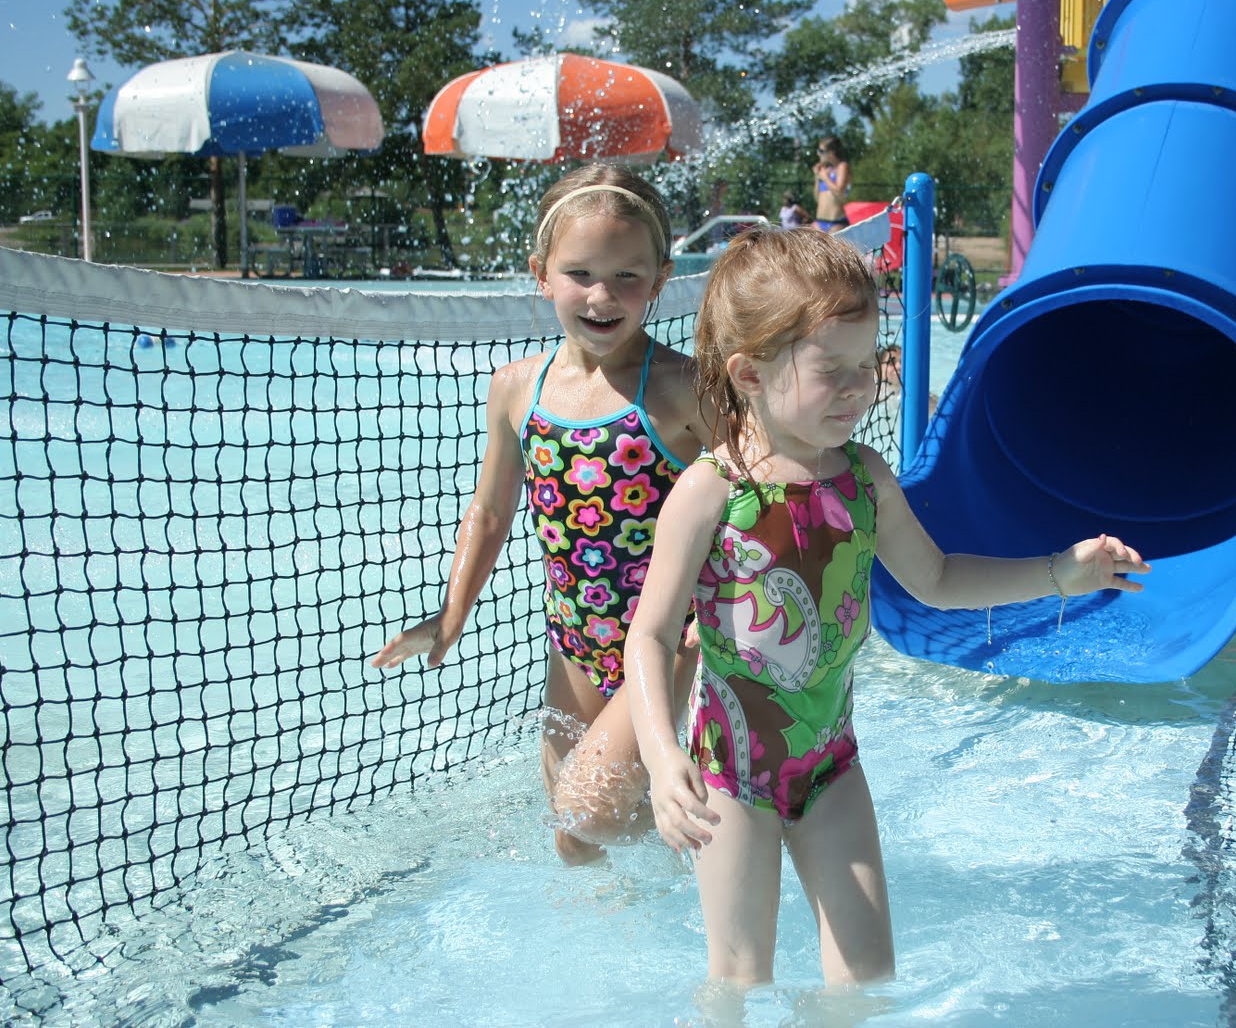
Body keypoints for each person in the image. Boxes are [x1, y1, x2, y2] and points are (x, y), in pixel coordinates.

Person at [623, 228, 1150, 986]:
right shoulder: (713, 490)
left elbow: (935, 577)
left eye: (865, 364)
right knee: (739, 977)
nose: (857, 386)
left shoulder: (865, 479)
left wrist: (1058, 573)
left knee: (868, 974)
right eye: (830, 368)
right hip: (731, 774)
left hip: (832, 764)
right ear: (749, 373)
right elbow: (649, 635)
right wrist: (661, 753)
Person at [370, 164, 716, 866]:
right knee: (573, 840)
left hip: (673, 635)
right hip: (576, 639)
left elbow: (760, 480)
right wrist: (451, 614)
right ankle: (623, 947)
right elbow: (491, 510)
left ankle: (705, 835)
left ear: (660, 279)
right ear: (540, 273)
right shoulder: (515, 389)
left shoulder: (683, 388)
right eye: (580, 272)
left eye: (627, 276)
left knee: (585, 813)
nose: (601, 294)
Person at [812, 136, 852, 232]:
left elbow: (839, 192)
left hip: (836, 223)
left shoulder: (842, 167)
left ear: (831, 152)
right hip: (819, 222)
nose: (818, 154)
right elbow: (817, 198)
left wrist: (825, 178)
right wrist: (817, 177)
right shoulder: (824, 170)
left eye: (821, 151)